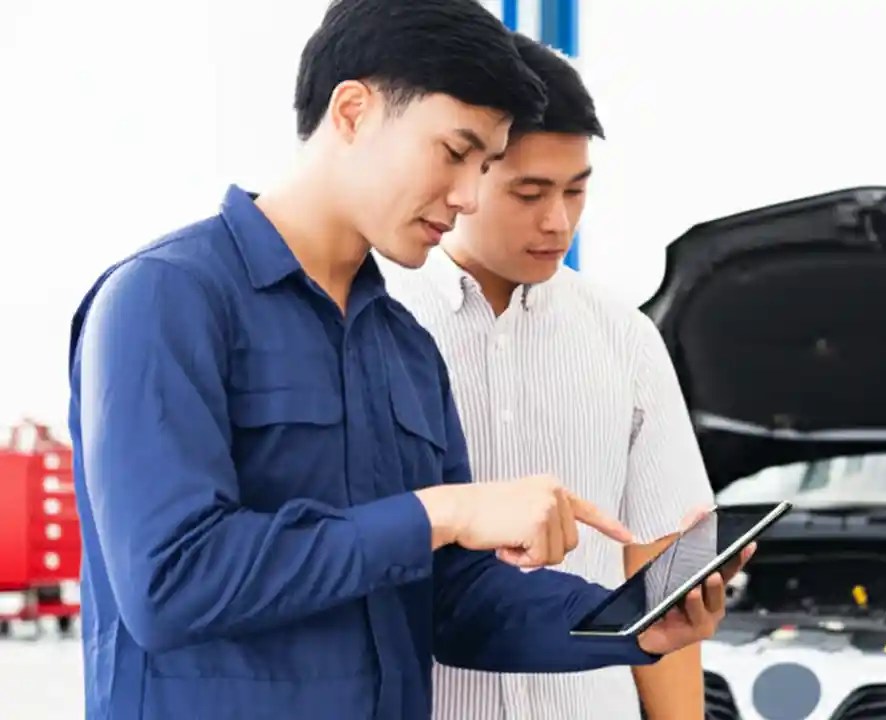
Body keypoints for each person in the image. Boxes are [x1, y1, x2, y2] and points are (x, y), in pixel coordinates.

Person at [65, 2, 749, 719]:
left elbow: (453, 603)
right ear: (354, 112)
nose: (465, 196)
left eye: (485, 166)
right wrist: (442, 511)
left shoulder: (403, 347)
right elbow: (171, 583)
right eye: (454, 153)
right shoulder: (164, 298)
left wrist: (632, 626)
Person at [379, 34, 715, 720]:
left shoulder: (625, 338)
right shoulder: (376, 326)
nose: (557, 221)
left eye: (576, 190)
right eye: (529, 193)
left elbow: (657, 576)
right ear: (464, 175)